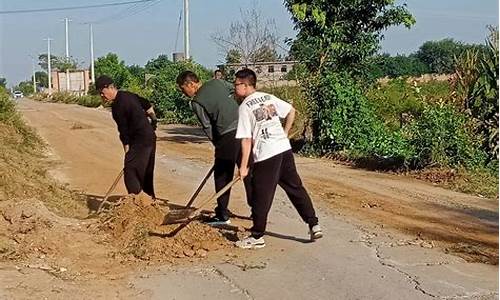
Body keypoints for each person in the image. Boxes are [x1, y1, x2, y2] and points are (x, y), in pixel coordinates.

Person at [234, 68, 322, 249]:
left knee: (261, 194)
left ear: (245, 84)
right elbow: (291, 111)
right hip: (283, 149)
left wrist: (243, 167)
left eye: (236, 84)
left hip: (267, 154)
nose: (235, 88)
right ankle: (313, 223)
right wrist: (285, 133)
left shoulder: (244, 107)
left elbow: (246, 140)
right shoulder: (268, 97)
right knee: (295, 187)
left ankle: (257, 236)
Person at [176, 70, 251, 225]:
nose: (184, 93)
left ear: (191, 84)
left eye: (183, 89)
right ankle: (257, 211)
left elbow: (207, 127)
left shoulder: (196, 102)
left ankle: (222, 215)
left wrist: (218, 144)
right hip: (245, 129)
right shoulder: (217, 82)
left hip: (227, 134)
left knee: (222, 175)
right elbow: (237, 90)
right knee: (248, 171)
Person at [96, 75, 158, 198]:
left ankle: (136, 202)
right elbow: (146, 104)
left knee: (131, 171)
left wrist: (127, 151)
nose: (102, 96)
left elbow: (124, 131)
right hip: (150, 137)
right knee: (145, 171)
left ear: (109, 88)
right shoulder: (128, 95)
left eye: (102, 92)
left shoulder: (117, 106)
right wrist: (154, 120)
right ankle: (149, 201)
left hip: (140, 140)